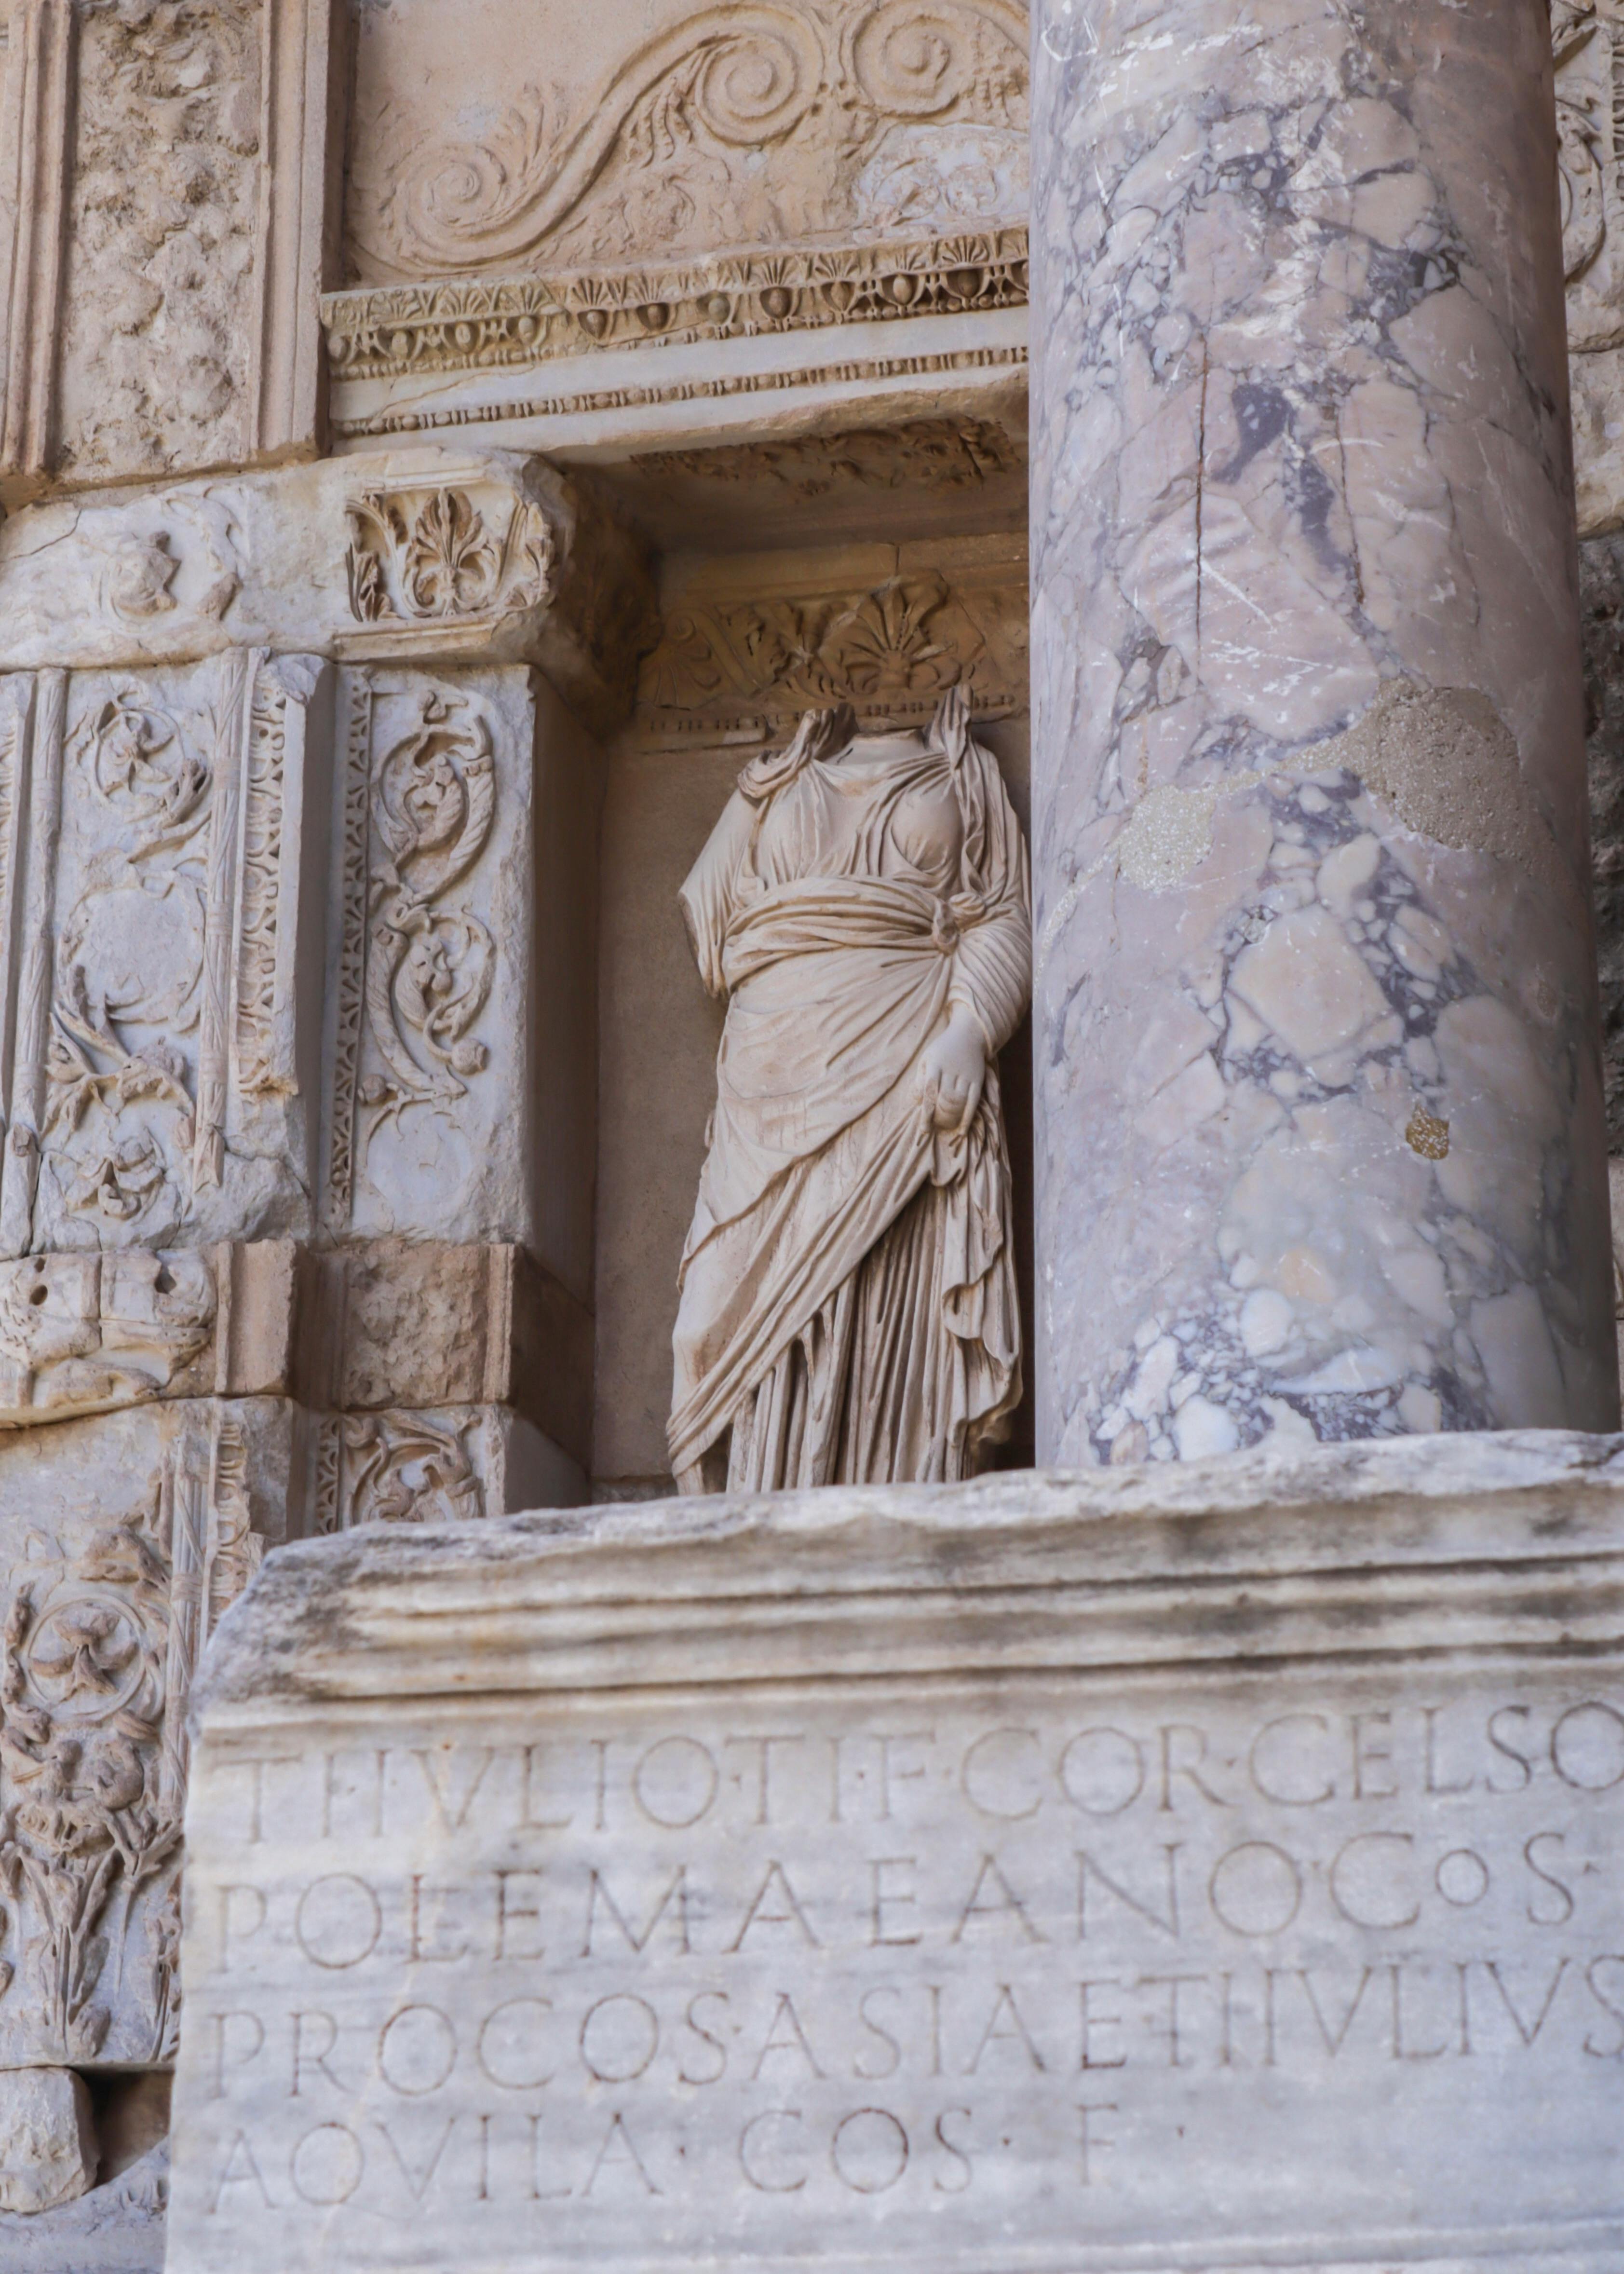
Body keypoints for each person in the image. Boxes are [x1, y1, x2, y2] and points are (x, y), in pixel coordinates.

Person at [669, 685, 1031, 1492]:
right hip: (772, 1061)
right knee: (705, 1328)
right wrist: (758, 787)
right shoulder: (783, 777)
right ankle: (746, 1508)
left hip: (910, 1042)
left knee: (883, 1293)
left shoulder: (964, 772)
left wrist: (971, 1029)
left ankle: (889, 1498)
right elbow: (713, 933)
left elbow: (1005, 914)